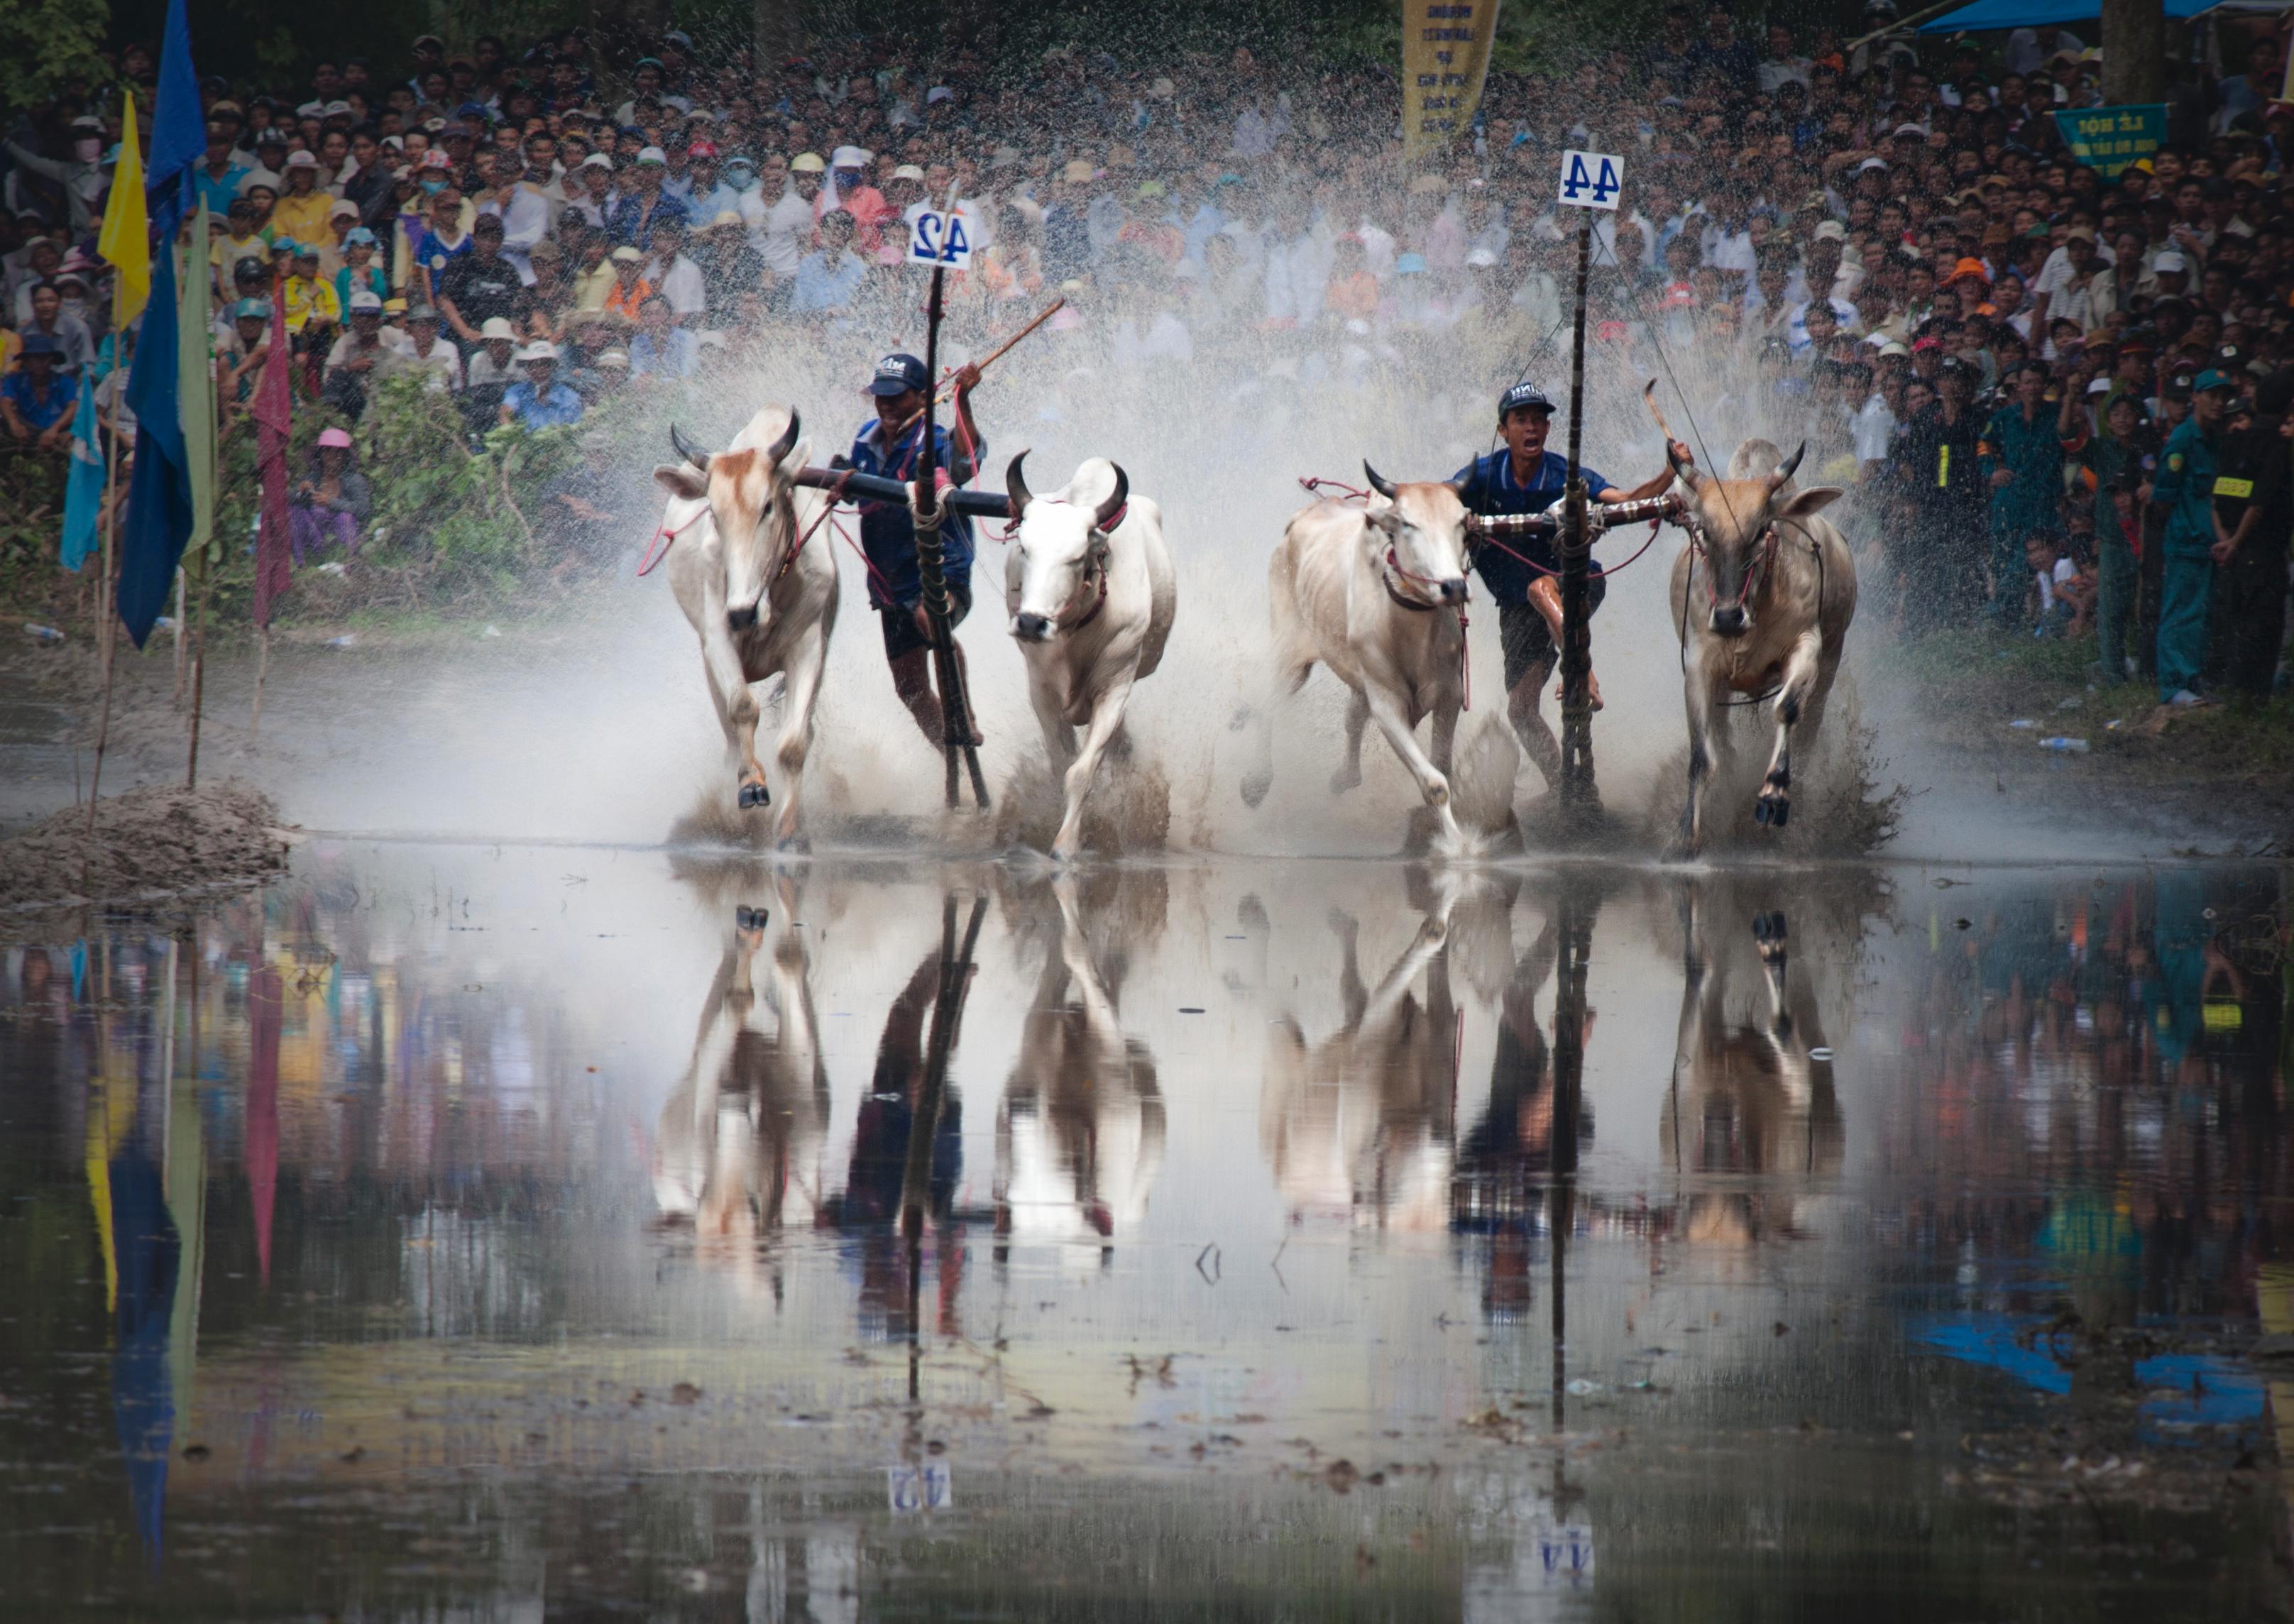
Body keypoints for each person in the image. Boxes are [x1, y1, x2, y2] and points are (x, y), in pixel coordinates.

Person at [1450, 380, 1684, 785]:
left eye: (1539, 420)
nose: (1531, 428)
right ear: (1503, 430)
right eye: (1521, 420)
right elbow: (1438, 499)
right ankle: (1563, 786)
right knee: (1520, 711)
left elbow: (1629, 499)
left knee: (1542, 588)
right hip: (1517, 608)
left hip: (1575, 584)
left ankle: (1582, 672)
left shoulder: (1566, 474)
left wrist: (1670, 471)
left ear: (1548, 429)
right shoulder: (1483, 476)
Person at [845, 351, 986, 747]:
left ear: (923, 398)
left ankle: (964, 713)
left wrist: (962, 400)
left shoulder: (935, 441)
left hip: (940, 572)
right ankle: (948, 755)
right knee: (908, 687)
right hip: (890, 585)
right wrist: (843, 478)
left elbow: (964, 464)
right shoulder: (865, 439)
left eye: (898, 396)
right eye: (881, 397)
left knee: (930, 618)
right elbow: (858, 497)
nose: (887, 405)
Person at [2148, 369, 2236, 704]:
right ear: (2195, 398)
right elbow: (2163, 496)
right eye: (2211, 395)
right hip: (2186, 543)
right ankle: (2173, 686)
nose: (2218, 402)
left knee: (2203, 615)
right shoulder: (2183, 439)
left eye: (2223, 396)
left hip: (2211, 543)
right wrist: (2183, 529)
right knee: (2182, 613)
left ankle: (2194, 678)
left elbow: (2222, 491)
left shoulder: (2217, 438)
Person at [1977, 363, 2068, 630]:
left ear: (2044, 386)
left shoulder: (2056, 415)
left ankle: (1997, 617)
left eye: (2036, 382)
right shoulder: (2005, 416)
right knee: (2001, 561)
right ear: (2019, 387)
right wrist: (1991, 470)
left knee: (2024, 563)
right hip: (2008, 502)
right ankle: (2010, 624)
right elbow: (1983, 443)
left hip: (2042, 502)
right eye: (2026, 382)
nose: (2031, 388)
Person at [290, 426, 371, 559]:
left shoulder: (354, 480)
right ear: (321, 454)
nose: (333, 456)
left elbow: (364, 509)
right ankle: (301, 562)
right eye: (328, 451)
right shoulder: (313, 478)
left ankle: (350, 561)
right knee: (294, 511)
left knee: (345, 517)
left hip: (340, 538)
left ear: (345, 456)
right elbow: (286, 501)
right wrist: (300, 491)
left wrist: (330, 502)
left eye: (339, 452)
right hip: (315, 537)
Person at [1, 331, 72, 448]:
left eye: (44, 358)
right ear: (27, 362)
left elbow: (73, 406)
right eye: (35, 359)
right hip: (26, 434)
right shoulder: (15, 380)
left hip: (57, 433)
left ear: (51, 361)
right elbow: (5, 401)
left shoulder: (65, 382)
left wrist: (55, 428)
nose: (40, 363)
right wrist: (14, 423)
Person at [500, 341, 584, 429]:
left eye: (545, 364)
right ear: (527, 369)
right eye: (533, 365)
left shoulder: (568, 396)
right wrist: (509, 430)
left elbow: (575, 427)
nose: (539, 370)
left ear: (553, 367)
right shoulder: (517, 391)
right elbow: (506, 411)